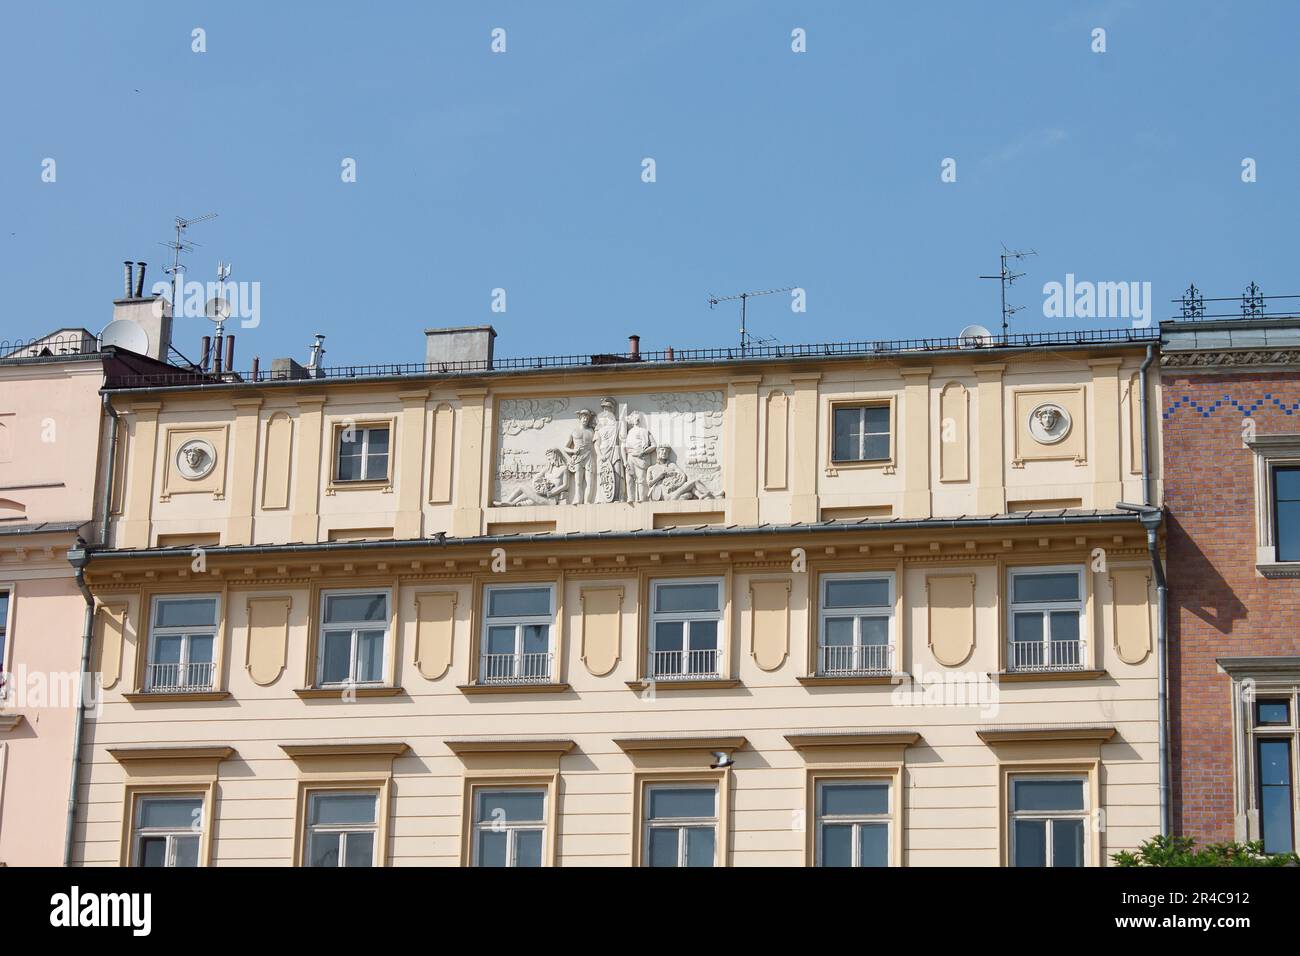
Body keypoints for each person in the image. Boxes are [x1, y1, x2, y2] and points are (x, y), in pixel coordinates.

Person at [497, 448, 571, 506]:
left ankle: (509, 503)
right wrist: (538, 484)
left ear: (555, 456)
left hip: (551, 500)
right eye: (548, 458)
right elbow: (535, 479)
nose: (548, 460)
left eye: (550, 458)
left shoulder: (563, 468)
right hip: (541, 496)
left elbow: (565, 485)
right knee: (520, 502)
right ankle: (509, 503)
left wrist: (553, 492)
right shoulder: (548, 469)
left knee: (522, 486)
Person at [645, 445, 716, 501]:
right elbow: (649, 483)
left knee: (689, 494)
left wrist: (678, 484)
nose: (664, 452)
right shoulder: (651, 468)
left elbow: (683, 475)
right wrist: (659, 477)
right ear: (657, 452)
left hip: (675, 492)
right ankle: (711, 495)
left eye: (667, 451)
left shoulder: (672, 465)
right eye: (662, 450)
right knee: (694, 483)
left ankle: (703, 496)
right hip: (667, 496)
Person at [562, 409, 597, 504]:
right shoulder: (574, 432)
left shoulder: (592, 431)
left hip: (589, 456)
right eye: (583, 417)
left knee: (589, 481)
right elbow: (565, 447)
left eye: (587, 417)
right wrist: (573, 451)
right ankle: (578, 499)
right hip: (578, 458)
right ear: (580, 418)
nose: (585, 419)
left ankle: (587, 501)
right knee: (578, 482)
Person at [621, 409, 656, 502]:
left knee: (641, 479)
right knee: (629, 479)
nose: (636, 418)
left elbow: (654, 445)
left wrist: (644, 452)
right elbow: (623, 448)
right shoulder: (629, 433)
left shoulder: (645, 431)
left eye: (638, 417)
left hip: (641, 457)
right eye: (634, 417)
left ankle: (641, 498)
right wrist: (624, 461)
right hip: (630, 457)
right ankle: (630, 497)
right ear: (631, 420)